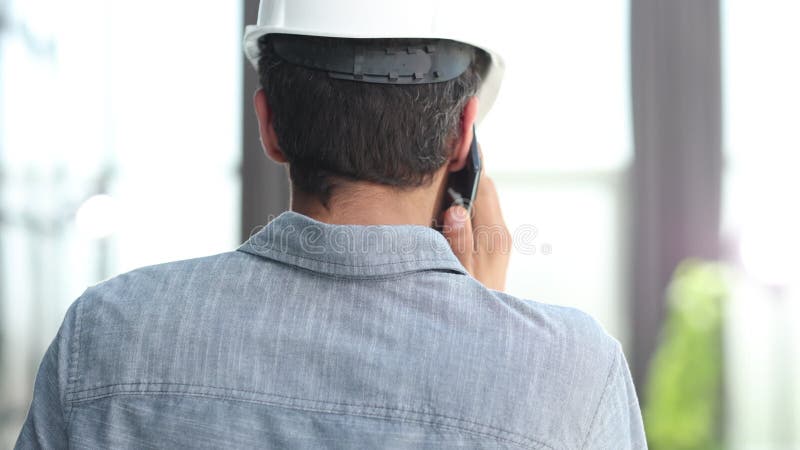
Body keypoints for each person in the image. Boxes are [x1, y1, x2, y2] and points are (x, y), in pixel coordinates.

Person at [15, 1, 646, 448]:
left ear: (270, 126)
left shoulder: (105, 337)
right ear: (463, 136)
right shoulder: (571, 374)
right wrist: (496, 343)